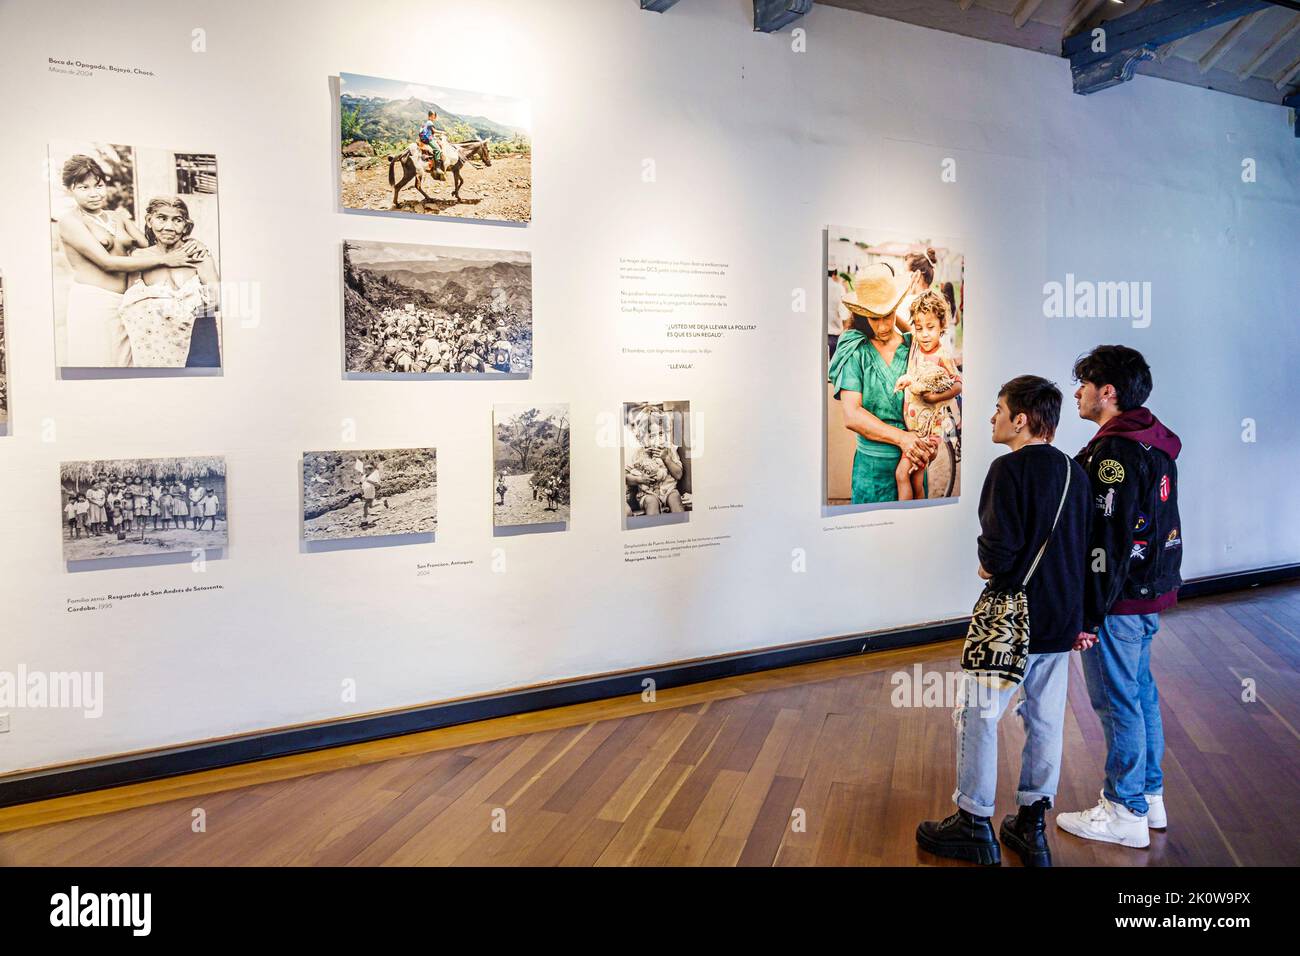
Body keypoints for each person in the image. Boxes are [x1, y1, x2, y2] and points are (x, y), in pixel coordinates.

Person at [916, 376, 1090, 867]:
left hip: (1010, 621)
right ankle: (1031, 824)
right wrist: (1084, 618)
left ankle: (973, 821)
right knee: (1046, 720)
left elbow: (997, 550)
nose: (991, 417)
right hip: (1060, 620)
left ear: (1021, 419)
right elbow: (1086, 551)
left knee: (978, 714)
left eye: (998, 409)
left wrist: (986, 566)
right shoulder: (1076, 474)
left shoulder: (1007, 470)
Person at [1055, 346, 1182, 849]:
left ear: (1108, 392)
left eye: (1084, 384)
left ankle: (1123, 809)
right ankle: (1149, 797)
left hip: (1119, 600)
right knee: (1140, 690)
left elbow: (1108, 542)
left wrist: (1088, 614)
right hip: (1150, 591)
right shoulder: (1154, 444)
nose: (1078, 393)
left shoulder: (1114, 454)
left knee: (1115, 700)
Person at [55, 155, 202, 366]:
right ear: (70, 189)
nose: (94, 193)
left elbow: (152, 243)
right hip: (93, 302)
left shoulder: (118, 217)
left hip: (126, 303)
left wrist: (191, 242)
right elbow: (107, 262)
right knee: (97, 364)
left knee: (126, 365)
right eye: (83, 188)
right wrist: (165, 260)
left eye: (98, 185)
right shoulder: (69, 221)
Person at [828, 263, 938, 504]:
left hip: (913, 467)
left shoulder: (913, 347)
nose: (883, 326)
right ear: (863, 314)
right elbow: (852, 415)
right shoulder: (856, 350)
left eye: (888, 315)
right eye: (874, 318)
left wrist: (928, 444)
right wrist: (903, 438)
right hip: (871, 474)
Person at [120, 197, 220, 367]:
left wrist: (182, 311)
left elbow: (218, 300)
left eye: (177, 220)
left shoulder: (198, 254)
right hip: (154, 345)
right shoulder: (140, 258)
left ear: (186, 226)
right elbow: (129, 304)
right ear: (149, 220)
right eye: (162, 218)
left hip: (199, 336)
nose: (169, 227)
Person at [893, 291, 962, 500]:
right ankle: (919, 513)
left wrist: (935, 398)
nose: (924, 334)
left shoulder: (943, 356)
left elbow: (958, 384)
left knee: (902, 473)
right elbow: (903, 324)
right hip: (914, 428)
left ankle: (904, 517)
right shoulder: (916, 345)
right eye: (919, 327)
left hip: (929, 430)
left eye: (930, 328)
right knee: (916, 479)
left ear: (942, 326)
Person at [418, 110, 445, 180]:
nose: (434, 118)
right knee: (438, 150)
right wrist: (443, 132)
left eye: (434, 117)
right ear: (430, 116)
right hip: (428, 139)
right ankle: (437, 168)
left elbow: (432, 133)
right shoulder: (430, 122)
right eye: (433, 116)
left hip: (425, 138)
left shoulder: (426, 123)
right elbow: (434, 131)